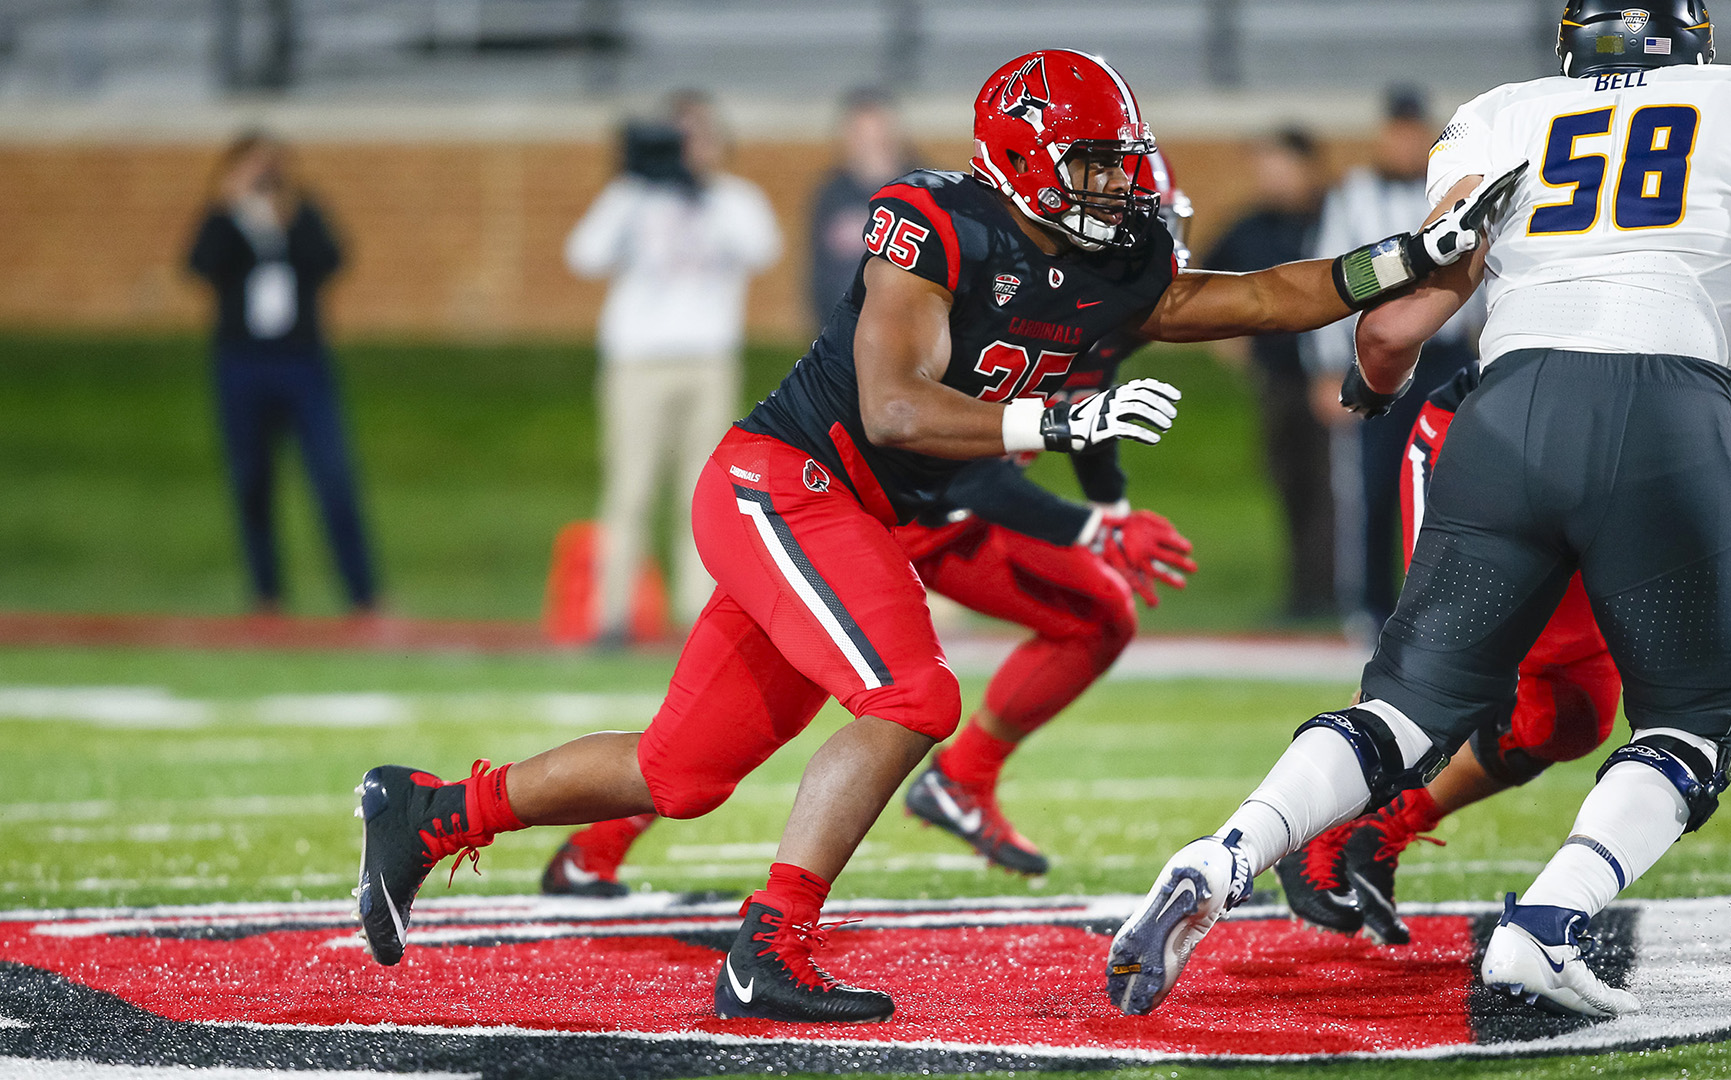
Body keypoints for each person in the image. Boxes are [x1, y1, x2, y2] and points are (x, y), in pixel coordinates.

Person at [354, 48, 1503, 1025]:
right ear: (1019, 160)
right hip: (784, 484)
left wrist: (1409, 258)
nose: (1118, 185)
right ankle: (769, 947)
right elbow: (898, 404)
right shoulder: (931, 222)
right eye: (1092, 164)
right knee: (913, 695)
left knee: (680, 773)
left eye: (1119, 160)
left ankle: (432, 812)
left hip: (855, 517)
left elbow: (1264, 297)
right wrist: (1063, 418)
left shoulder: (1118, 263)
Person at [1108, 2, 1731, 1021]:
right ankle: (1546, 927)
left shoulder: (1506, 115)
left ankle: (1226, 851)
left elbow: (1400, 321)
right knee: (1688, 727)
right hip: (1668, 413)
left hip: (1505, 413)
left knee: (1400, 710)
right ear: (1691, 34)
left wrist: (1372, 378)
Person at [1278, 170, 1731, 948]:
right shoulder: (1715, 283)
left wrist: (1723, 522)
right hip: (1506, 456)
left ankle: (1376, 829)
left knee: (1568, 715)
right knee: (1448, 677)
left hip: (1642, 501)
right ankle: (1319, 825)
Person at [540, 151, 1199, 892]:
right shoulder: (1012, 280)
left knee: (1092, 615)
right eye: (1136, 213)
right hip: (888, 505)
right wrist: (1089, 528)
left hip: (932, 508)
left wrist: (1109, 508)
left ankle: (960, 782)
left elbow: (1092, 406)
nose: (1143, 233)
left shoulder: (1100, 295)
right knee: (786, 710)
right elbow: (968, 452)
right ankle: (931, 800)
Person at [566, 91, 782, 640]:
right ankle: (610, 616)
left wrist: (702, 196)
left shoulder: (733, 199)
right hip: (637, 362)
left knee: (702, 492)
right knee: (630, 488)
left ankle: (696, 616)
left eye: (701, 136)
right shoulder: (634, 195)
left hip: (707, 360)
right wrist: (637, 188)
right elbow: (584, 254)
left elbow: (763, 248)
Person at [1307, 86, 1484, 637]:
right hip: (1377, 356)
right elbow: (1328, 275)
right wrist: (1327, 365)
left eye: (1414, 131)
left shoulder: (1454, 185)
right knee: (1373, 480)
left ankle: (1443, 604)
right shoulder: (1355, 193)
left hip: (1448, 353)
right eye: (1397, 132)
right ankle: (1371, 605)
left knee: (1454, 481)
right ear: (1385, 135)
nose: (1405, 142)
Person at [185, 132, 378, 615]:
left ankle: (363, 594)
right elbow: (200, 266)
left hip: (301, 359)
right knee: (252, 479)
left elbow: (332, 260)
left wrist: (285, 221)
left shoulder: (300, 212)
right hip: (243, 360)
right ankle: (266, 594)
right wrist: (229, 209)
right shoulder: (224, 218)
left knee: (332, 476)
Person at [1205, 128, 1338, 622]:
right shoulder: (1250, 226)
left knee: (1337, 487)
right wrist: (1239, 353)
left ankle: (1344, 591)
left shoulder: (1338, 215)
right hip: (1280, 380)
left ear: (1308, 166)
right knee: (1291, 484)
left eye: (1280, 165)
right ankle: (1304, 594)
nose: (1271, 177)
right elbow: (1203, 285)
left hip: (1336, 379)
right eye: (1265, 167)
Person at [810, 88, 914, 329]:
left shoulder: (927, 189)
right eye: (859, 134)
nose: (868, 144)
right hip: (845, 334)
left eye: (875, 134)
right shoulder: (831, 195)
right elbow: (818, 274)